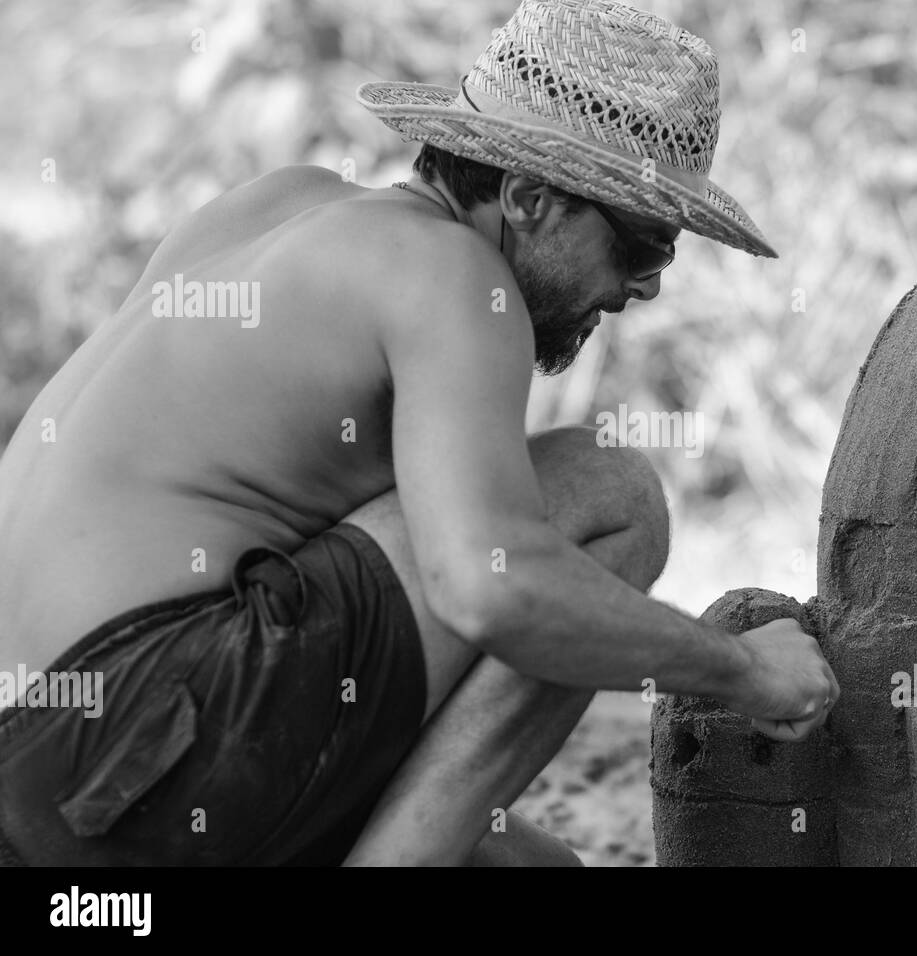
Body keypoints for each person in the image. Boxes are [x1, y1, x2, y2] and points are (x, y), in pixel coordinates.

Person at [0, 0, 837, 867]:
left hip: (49, 785)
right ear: (528, 196)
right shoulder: (451, 273)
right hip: (137, 735)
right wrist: (743, 671)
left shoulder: (277, 206)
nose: (646, 291)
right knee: (610, 491)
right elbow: (492, 589)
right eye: (642, 249)